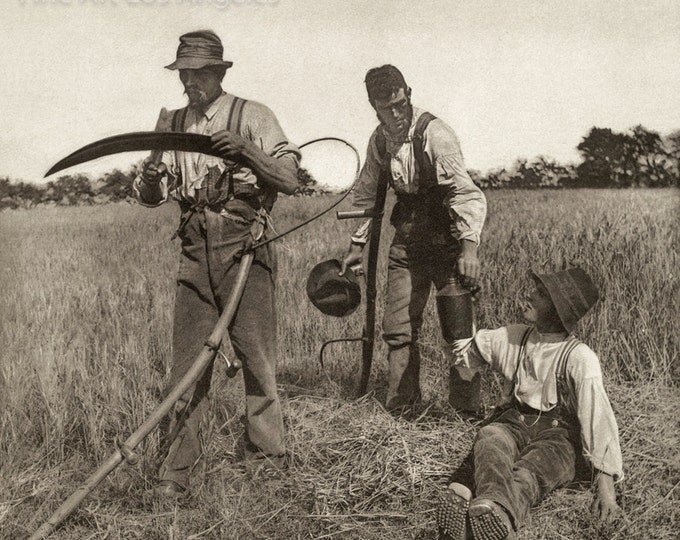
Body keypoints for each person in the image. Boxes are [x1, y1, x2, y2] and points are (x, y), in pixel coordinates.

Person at [133, 30, 300, 497]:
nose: (189, 82)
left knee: (256, 357)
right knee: (186, 366)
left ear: (217, 72)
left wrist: (246, 150)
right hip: (193, 245)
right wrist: (149, 180)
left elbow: (289, 177)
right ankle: (176, 472)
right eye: (183, 73)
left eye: (197, 73)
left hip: (243, 243)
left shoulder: (252, 115)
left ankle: (267, 460)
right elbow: (151, 197)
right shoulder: (173, 122)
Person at [340, 65, 487, 413]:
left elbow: (466, 195)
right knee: (398, 330)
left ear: (408, 94)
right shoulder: (378, 141)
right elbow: (366, 197)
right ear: (373, 107)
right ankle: (403, 409)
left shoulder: (436, 133)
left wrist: (469, 248)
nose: (396, 113)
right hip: (406, 243)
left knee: (459, 329)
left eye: (400, 103)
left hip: (446, 242)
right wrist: (355, 246)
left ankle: (466, 413)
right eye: (386, 107)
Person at [437, 267, 623, 540]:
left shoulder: (581, 358)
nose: (529, 296)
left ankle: (489, 513)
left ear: (559, 311)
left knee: (528, 472)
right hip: (514, 423)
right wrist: (461, 307)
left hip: (558, 439)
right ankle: (490, 514)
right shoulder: (515, 336)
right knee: (490, 437)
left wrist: (606, 488)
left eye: (541, 295)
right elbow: (464, 354)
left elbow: (598, 420)